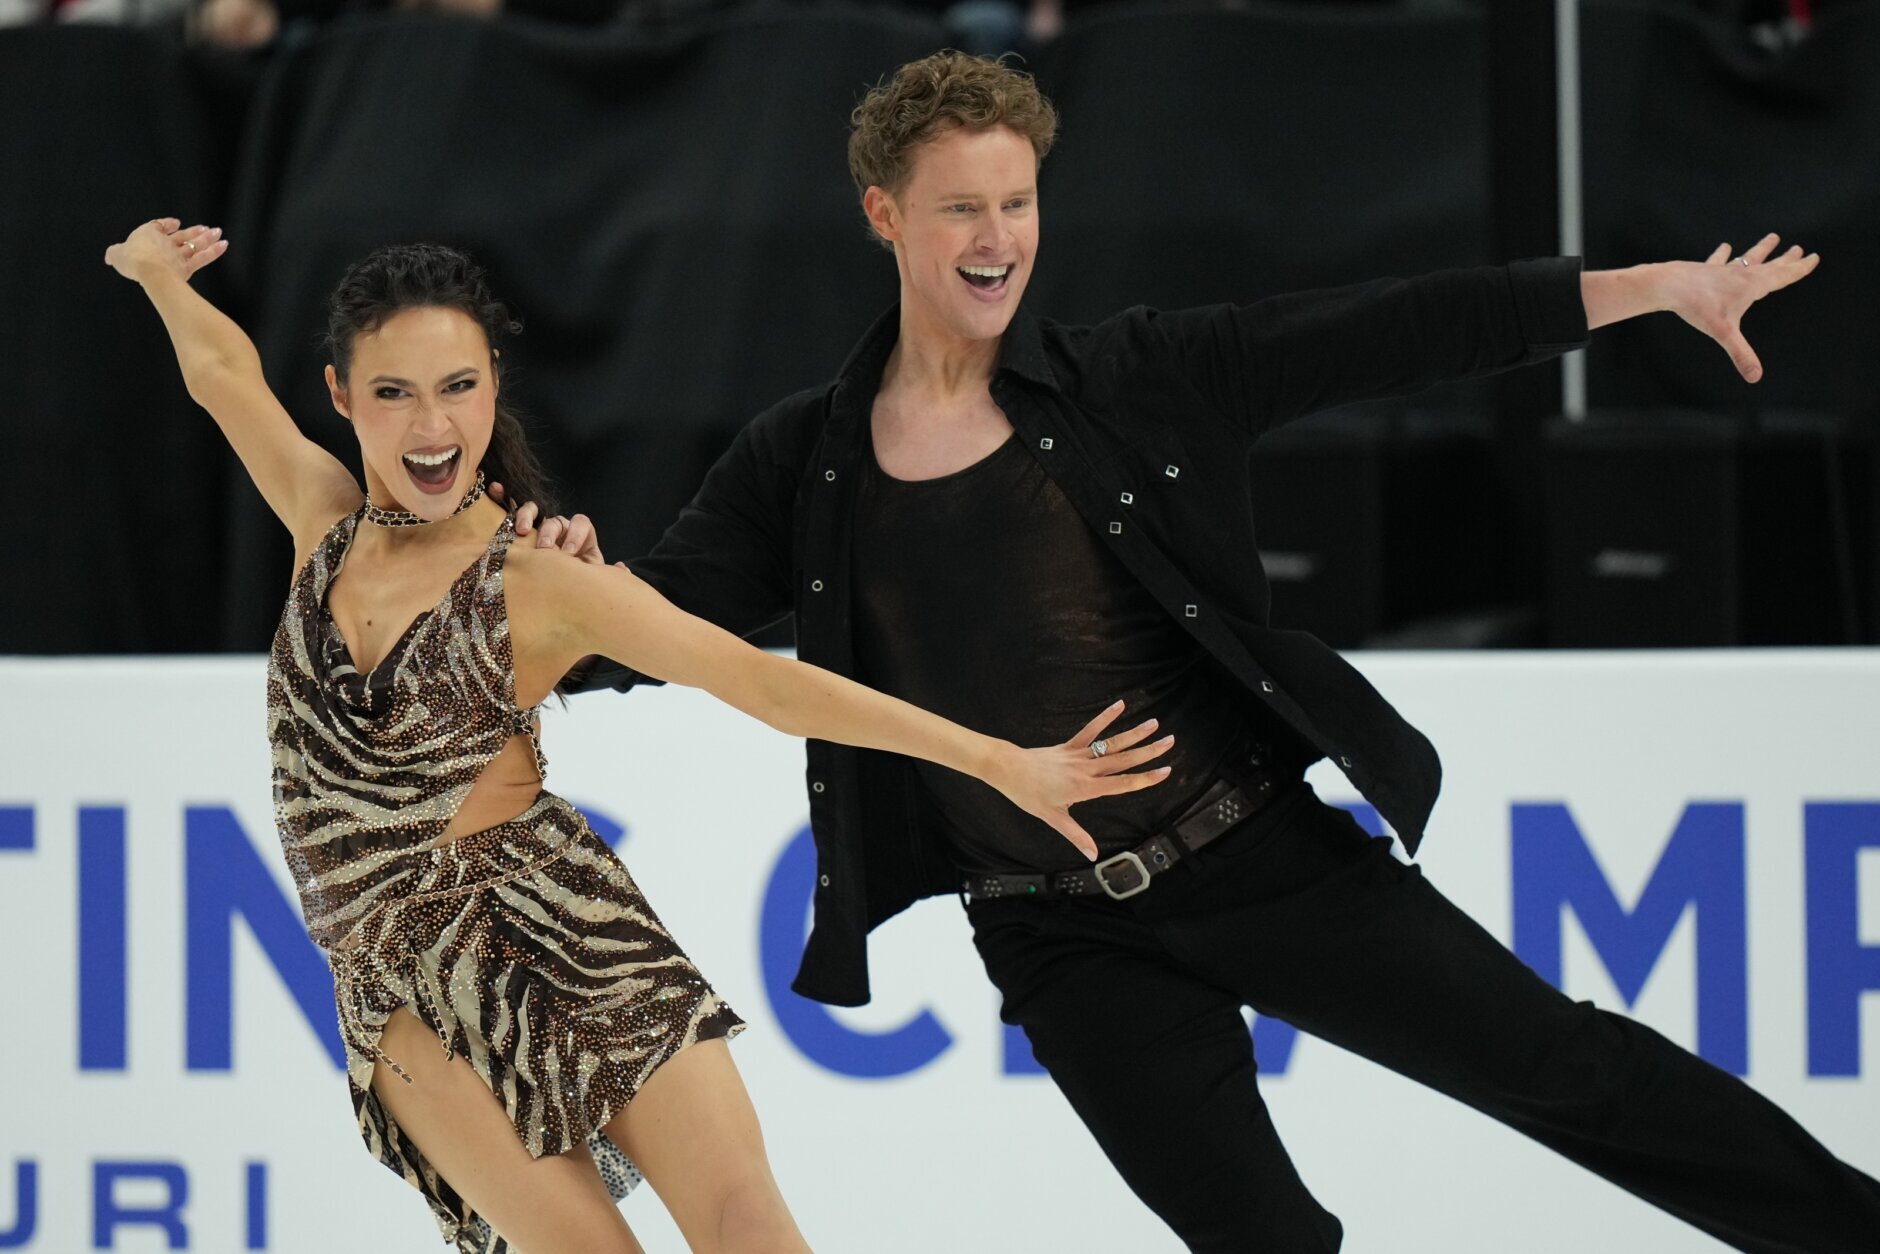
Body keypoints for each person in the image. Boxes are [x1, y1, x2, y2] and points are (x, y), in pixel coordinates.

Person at [523, 51, 1879, 1253]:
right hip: (1054, 930)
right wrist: (570, 595)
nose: (998, 239)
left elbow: (1399, 326)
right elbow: (657, 625)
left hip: (1257, 858)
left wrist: (1657, 289)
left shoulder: (1138, 378)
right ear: (884, 214)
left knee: (1566, 1069)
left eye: (1018, 203)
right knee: (1257, 1239)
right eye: (961, 209)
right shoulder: (801, 460)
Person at [101, 220, 1174, 1254]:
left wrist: (997, 762)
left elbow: (761, 681)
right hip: (400, 991)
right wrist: (156, 275)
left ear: (493, 387)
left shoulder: (538, 580)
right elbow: (222, 374)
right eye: (394, 392)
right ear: (341, 395)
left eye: (458, 386)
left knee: (747, 1230)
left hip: (568, 926)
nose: (432, 426)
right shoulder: (322, 524)